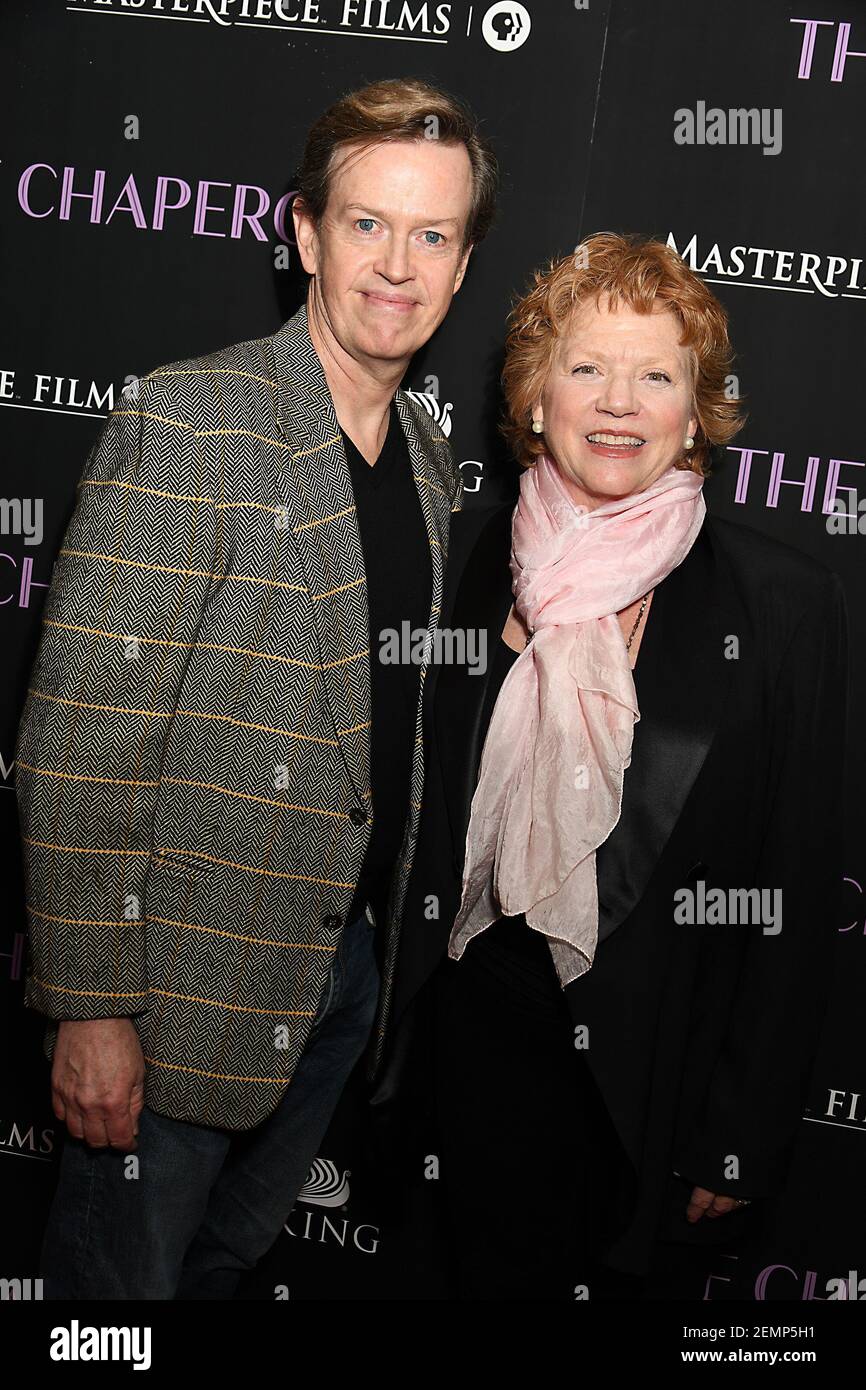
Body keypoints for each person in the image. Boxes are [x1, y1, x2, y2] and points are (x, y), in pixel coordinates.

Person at [15, 77, 498, 1299]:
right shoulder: (189, 421)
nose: (397, 264)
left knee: (228, 1271)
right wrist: (91, 1010)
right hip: (169, 996)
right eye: (366, 224)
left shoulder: (437, 467)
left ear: (463, 260)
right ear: (302, 234)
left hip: (341, 982)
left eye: (431, 233)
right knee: (111, 1303)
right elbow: (82, 741)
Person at [370, 233, 849, 1300]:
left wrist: (740, 1131)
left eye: (655, 375)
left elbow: (793, 894)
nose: (617, 402)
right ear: (536, 399)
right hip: (464, 1060)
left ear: (695, 413)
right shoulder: (465, 558)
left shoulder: (780, 607)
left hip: (641, 1090)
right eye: (585, 368)